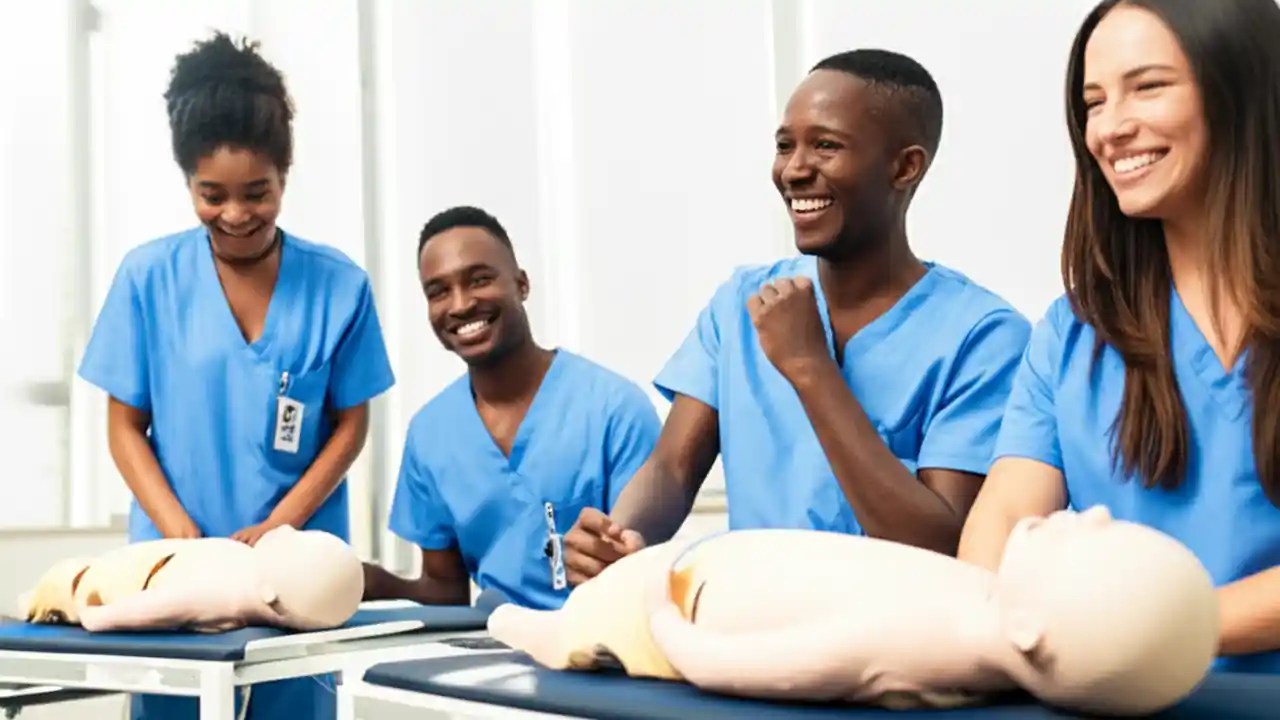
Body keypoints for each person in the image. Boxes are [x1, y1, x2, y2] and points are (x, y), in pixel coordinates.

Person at [564, 49, 1032, 585]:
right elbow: (671, 469)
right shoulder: (742, 301)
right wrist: (620, 535)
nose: (794, 169)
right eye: (786, 145)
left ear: (905, 167)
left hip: (895, 653)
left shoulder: (983, 337)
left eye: (826, 146)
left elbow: (943, 545)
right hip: (745, 635)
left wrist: (810, 367)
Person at [77, 32, 395, 719]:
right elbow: (124, 425)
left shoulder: (339, 285)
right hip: (173, 562)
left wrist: (282, 524)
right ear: (187, 181)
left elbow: (351, 422)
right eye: (210, 194)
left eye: (259, 192)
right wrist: (182, 540)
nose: (236, 214)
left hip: (295, 564)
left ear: (286, 175)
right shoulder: (148, 278)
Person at [956, 0, 1280, 673]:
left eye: (1149, 86)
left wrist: (1145, 627)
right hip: (1116, 694)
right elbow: (1002, 525)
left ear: (1244, 89)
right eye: (1093, 102)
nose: (1110, 128)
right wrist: (993, 618)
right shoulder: (1072, 334)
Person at [362, 206, 661, 610]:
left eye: (479, 280)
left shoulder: (614, 409)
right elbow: (445, 591)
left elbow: (645, 570)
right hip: (493, 655)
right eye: (438, 291)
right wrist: (368, 582)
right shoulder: (430, 433)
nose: (461, 304)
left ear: (522, 284)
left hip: (606, 655)